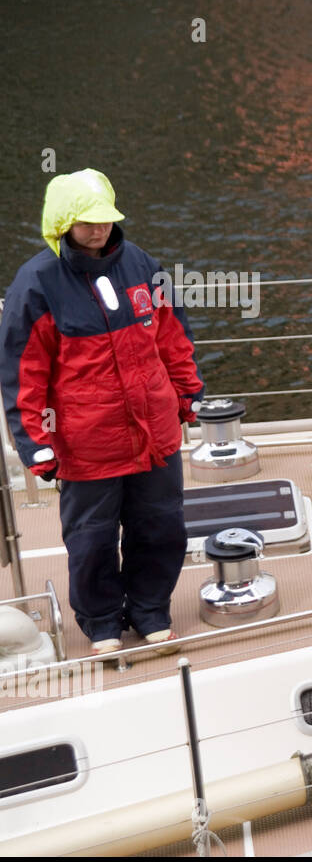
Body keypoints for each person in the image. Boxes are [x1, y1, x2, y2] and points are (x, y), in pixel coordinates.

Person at [0, 169, 204, 656]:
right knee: (91, 540)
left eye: (106, 221)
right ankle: (101, 622)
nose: (99, 231)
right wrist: (34, 444)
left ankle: (151, 611)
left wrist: (187, 393)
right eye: (87, 223)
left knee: (161, 526)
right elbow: (22, 374)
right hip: (87, 442)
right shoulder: (36, 284)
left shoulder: (140, 264)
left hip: (154, 433)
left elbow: (172, 336)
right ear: (62, 223)